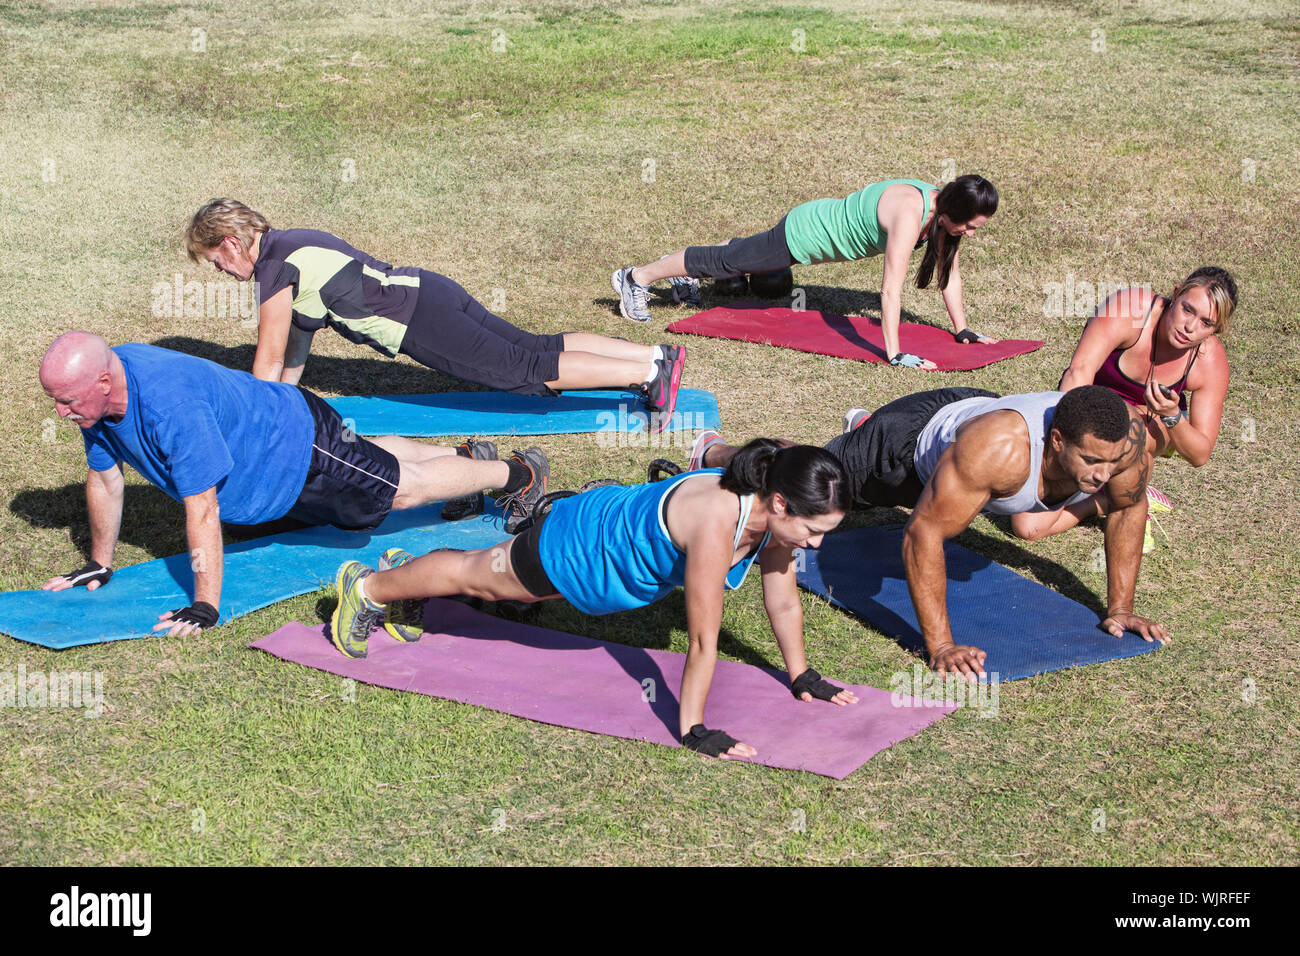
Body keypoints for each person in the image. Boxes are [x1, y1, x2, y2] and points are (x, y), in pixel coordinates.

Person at [329, 440, 859, 760]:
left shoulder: (774, 511)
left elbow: (783, 600)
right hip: (578, 545)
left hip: (607, 536)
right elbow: (703, 640)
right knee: (477, 577)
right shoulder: (717, 522)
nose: (814, 545)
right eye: (812, 530)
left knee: (482, 578)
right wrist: (694, 729)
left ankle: (402, 579)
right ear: (782, 503)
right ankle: (368, 587)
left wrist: (802, 675)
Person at [38, 333, 549, 637]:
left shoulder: (171, 407)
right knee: (374, 461)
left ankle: (515, 474)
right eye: (57, 400)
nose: (61, 412)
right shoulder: (98, 406)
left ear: (104, 381)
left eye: (67, 400)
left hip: (299, 447)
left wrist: (205, 604)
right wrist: (99, 561)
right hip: (275, 459)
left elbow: (202, 509)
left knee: (399, 490)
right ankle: (461, 458)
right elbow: (105, 480)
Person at [691, 385, 1166, 679]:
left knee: (1020, 510)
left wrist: (1121, 608)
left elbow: (1129, 508)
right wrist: (940, 645)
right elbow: (922, 535)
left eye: (1111, 462)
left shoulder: (1124, 447)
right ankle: (714, 452)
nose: (1104, 475)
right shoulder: (998, 451)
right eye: (1091, 462)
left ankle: (863, 426)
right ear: (1058, 441)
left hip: (967, 424)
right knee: (817, 476)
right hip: (906, 445)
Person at [185, 199, 687, 430]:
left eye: (216, 261)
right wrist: (284, 399)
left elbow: (268, 358)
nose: (222, 271)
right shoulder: (293, 242)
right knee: (536, 345)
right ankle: (655, 353)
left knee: (525, 373)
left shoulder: (273, 270)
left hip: (417, 322)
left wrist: (253, 418)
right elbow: (296, 342)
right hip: (430, 291)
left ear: (231, 241)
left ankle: (647, 374)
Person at [611, 175, 999, 369]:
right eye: (970, 226)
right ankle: (637, 277)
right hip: (804, 234)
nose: (969, 233)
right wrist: (895, 354)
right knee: (728, 263)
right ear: (952, 212)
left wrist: (962, 329)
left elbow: (951, 275)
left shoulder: (943, 213)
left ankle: (691, 269)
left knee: (758, 270)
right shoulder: (910, 212)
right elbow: (890, 290)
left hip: (810, 240)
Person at [1011, 267, 1237, 548]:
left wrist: (1172, 415)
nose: (1190, 327)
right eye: (1187, 309)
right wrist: (1068, 444)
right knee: (1027, 526)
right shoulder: (1131, 310)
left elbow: (1200, 453)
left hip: (1152, 425)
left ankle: (1129, 499)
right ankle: (1109, 497)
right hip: (1090, 411)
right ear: (1176, 294)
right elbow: (1078, 372)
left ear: (1216, 329)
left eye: (1206, 323)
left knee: (1133, 423)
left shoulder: (1208, 359)